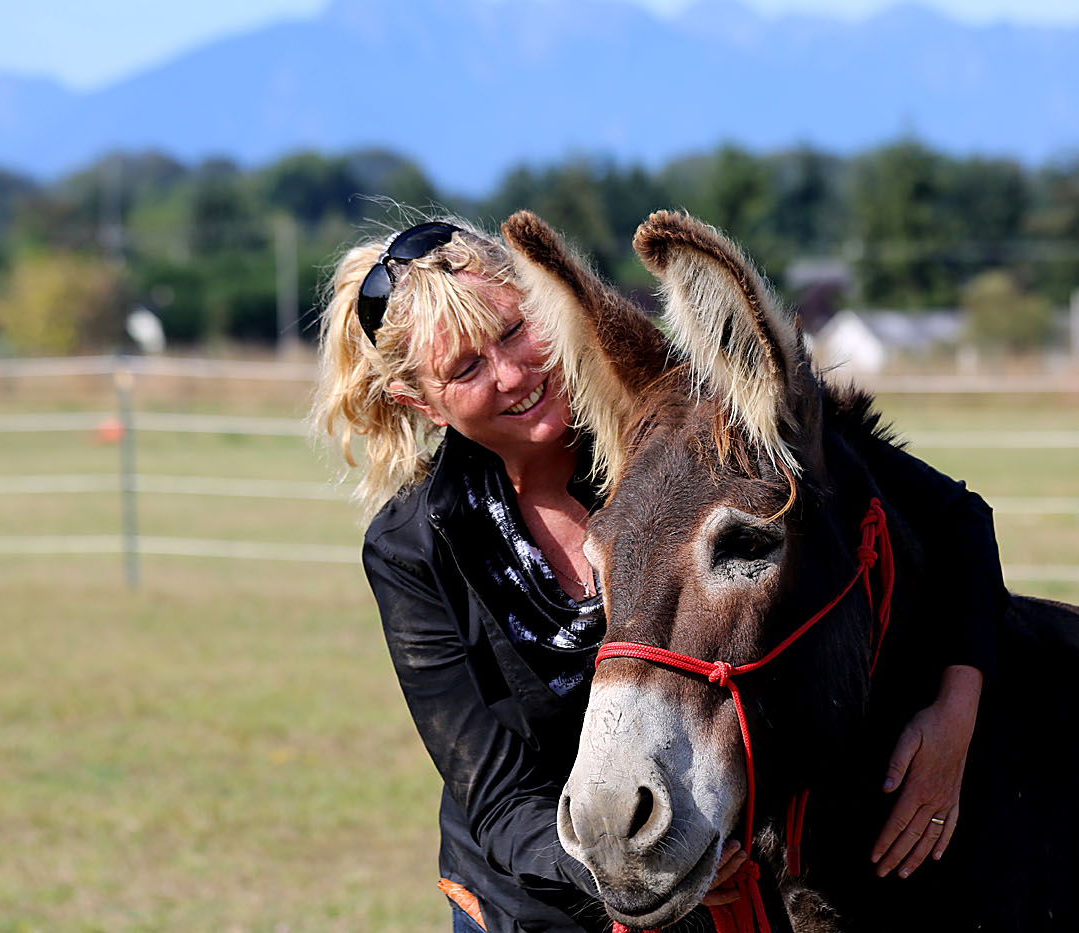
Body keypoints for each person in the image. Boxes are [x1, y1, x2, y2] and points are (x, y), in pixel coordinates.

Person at [310, 216, 1006, 932]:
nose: (513, 373)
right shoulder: (411, 548)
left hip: (712, 876)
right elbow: (496, 795)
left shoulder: (679, 434)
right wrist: (615, 858)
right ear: (419, 403)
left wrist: (954, 716)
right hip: (540, 898)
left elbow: (954, 518)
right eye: (465, 368)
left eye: (514, 330)